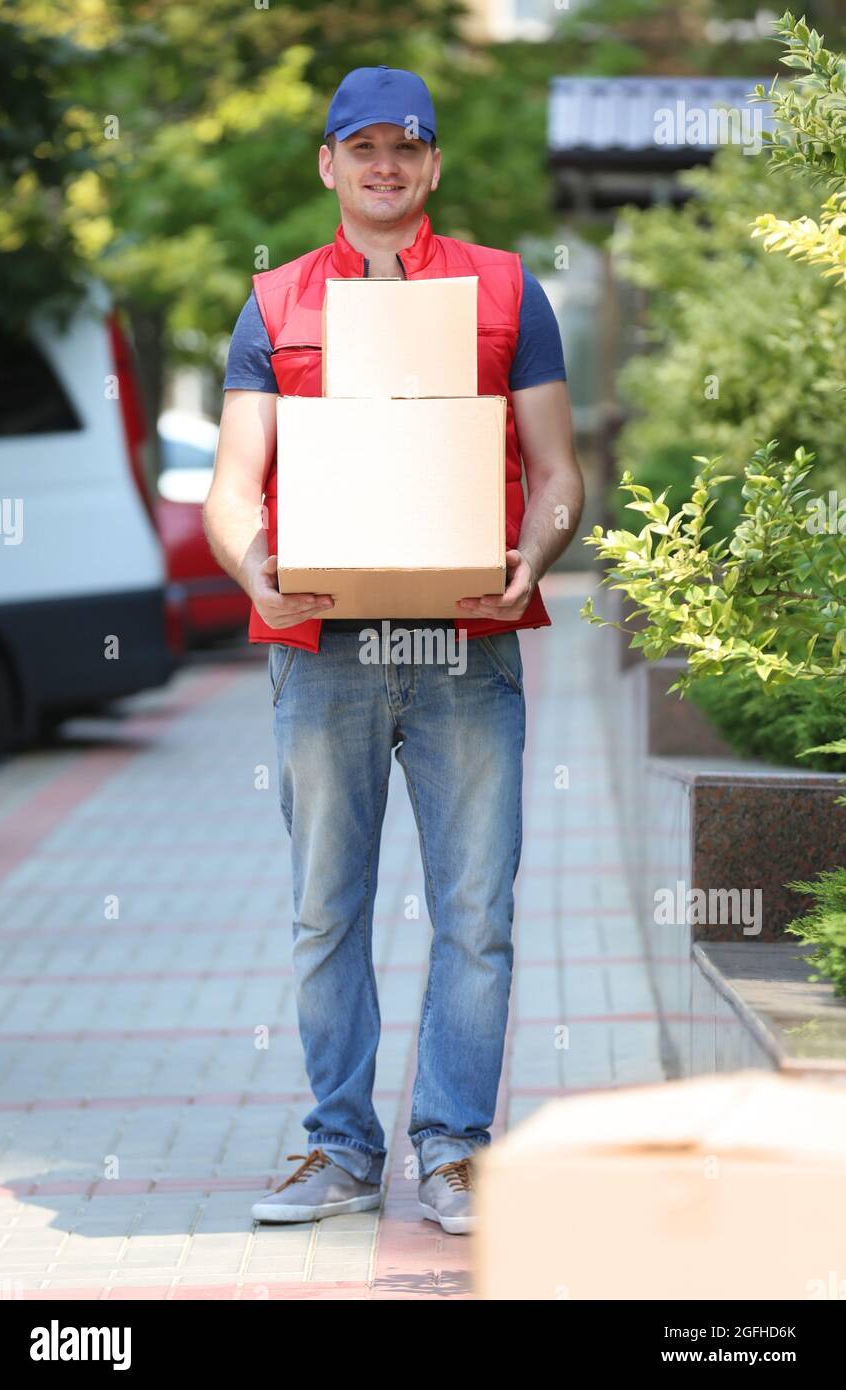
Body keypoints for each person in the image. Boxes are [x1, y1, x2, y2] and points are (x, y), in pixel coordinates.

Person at [203, 65, 584, 1236]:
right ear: (327, 165)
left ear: (430, 165)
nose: (383, 166)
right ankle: (339, 1147)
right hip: (323, 649)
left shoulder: (506, 292)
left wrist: (536, 551)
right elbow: (233, 486)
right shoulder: (272, 308)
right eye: (359, 147)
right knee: (328, 907)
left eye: (404, 148)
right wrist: (250, 565)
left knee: (476, 909)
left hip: (468, 642)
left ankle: (456, 1148)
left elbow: (558, 471)